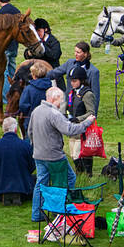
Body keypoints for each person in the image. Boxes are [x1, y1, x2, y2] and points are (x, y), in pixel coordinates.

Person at [27, 86, 92, 224]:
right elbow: (69, 130)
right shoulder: (53, 113)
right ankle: (61, 210)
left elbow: (30, 132)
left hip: (38, 154)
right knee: (67, 180)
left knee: (41, 183)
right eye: (61, 100)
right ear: (54, 98)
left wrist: (36, 147)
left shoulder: (36, 111)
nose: (61, 103)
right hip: (54, 156)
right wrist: (87, 123)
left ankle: (37, 214)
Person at [0, 117, 36, 202]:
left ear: (3, 129)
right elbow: (32, 166)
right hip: (24, 189)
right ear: (16, 129)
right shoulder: (25, 146)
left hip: (0, 189)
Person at [50, 42, 100, 111]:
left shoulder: (93, 71)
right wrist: (40, 76)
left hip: (82, 107)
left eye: (78, 52)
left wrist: (93, 114)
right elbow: (55, 73)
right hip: (67, 103)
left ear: (85, 54)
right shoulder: (69, 63)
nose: (75, 54)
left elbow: (95, 95)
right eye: (75, 51)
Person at [66, 66, 97, 178]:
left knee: (77, 155)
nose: (72, 83)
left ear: (82, 80)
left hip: (83, 130)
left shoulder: (87, 94)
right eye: (71, 81)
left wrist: (78, 119)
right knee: (73, 155)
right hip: (73, 129)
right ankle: (80, 175)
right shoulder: (72, 93)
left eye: (74, 81)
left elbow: (91, 113)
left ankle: (86, 175)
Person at [0, 0, 21, 99]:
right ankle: (15, 93)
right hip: (14, 46)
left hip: (4, 48)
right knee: (12, 72)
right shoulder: (16, 11)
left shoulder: (0, 14)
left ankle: (6, 97)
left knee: (3, 73)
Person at [17, 61, 53, 125]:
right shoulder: (50, 87)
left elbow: (23, 105)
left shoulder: (28, 89)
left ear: (33, 75)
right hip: (47, 120)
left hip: (31, 120)